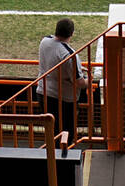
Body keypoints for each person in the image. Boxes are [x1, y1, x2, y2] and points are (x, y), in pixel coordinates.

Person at [36, 18, 87, 147]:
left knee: (52, 132)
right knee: (65, 135)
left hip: (43, 93)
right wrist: (89, 80)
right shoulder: (70, 55)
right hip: (63, 100)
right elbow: (79, 82)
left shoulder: (44, 41)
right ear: (72, 33)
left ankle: (53, 162)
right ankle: (61, 163)